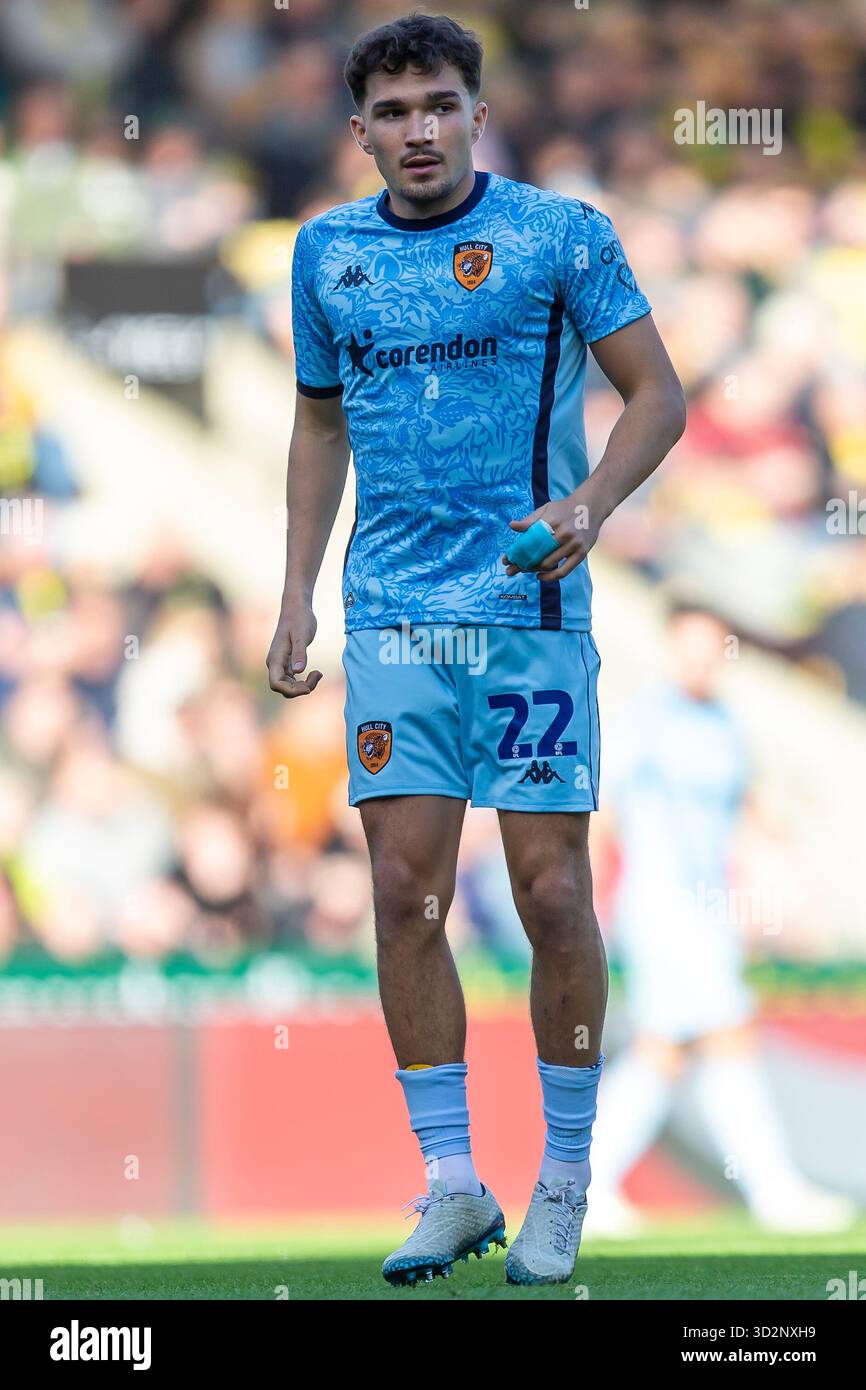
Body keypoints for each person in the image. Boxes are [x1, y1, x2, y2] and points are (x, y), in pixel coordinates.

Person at [267, 12, 686, 1287]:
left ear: (476, 111)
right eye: (392, 113)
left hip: (528, 612)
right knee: (404, 892)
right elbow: (318, 428)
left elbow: (656, 396)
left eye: (439, 104)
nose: (418, 131)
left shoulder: (560, 236)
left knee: (551, 892)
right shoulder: (324, 255)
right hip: (394, 613)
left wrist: (588, 507)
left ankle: (562, 1183)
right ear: (360, 132)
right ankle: (452, 1181)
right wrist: (295, 590)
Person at [587, 600, 857, 1236]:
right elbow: (604, 813)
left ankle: (588, 1187)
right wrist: (591, 901)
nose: (704, 660)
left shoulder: (727, 728)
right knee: (684, 1043)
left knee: (698, 1045)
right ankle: (768, 1191)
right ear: (671, 648)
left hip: (707, 913)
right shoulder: (644, 723)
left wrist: (782, 892)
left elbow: (750, 819)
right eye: (693, 646)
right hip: (659, 909)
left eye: (715, 648)